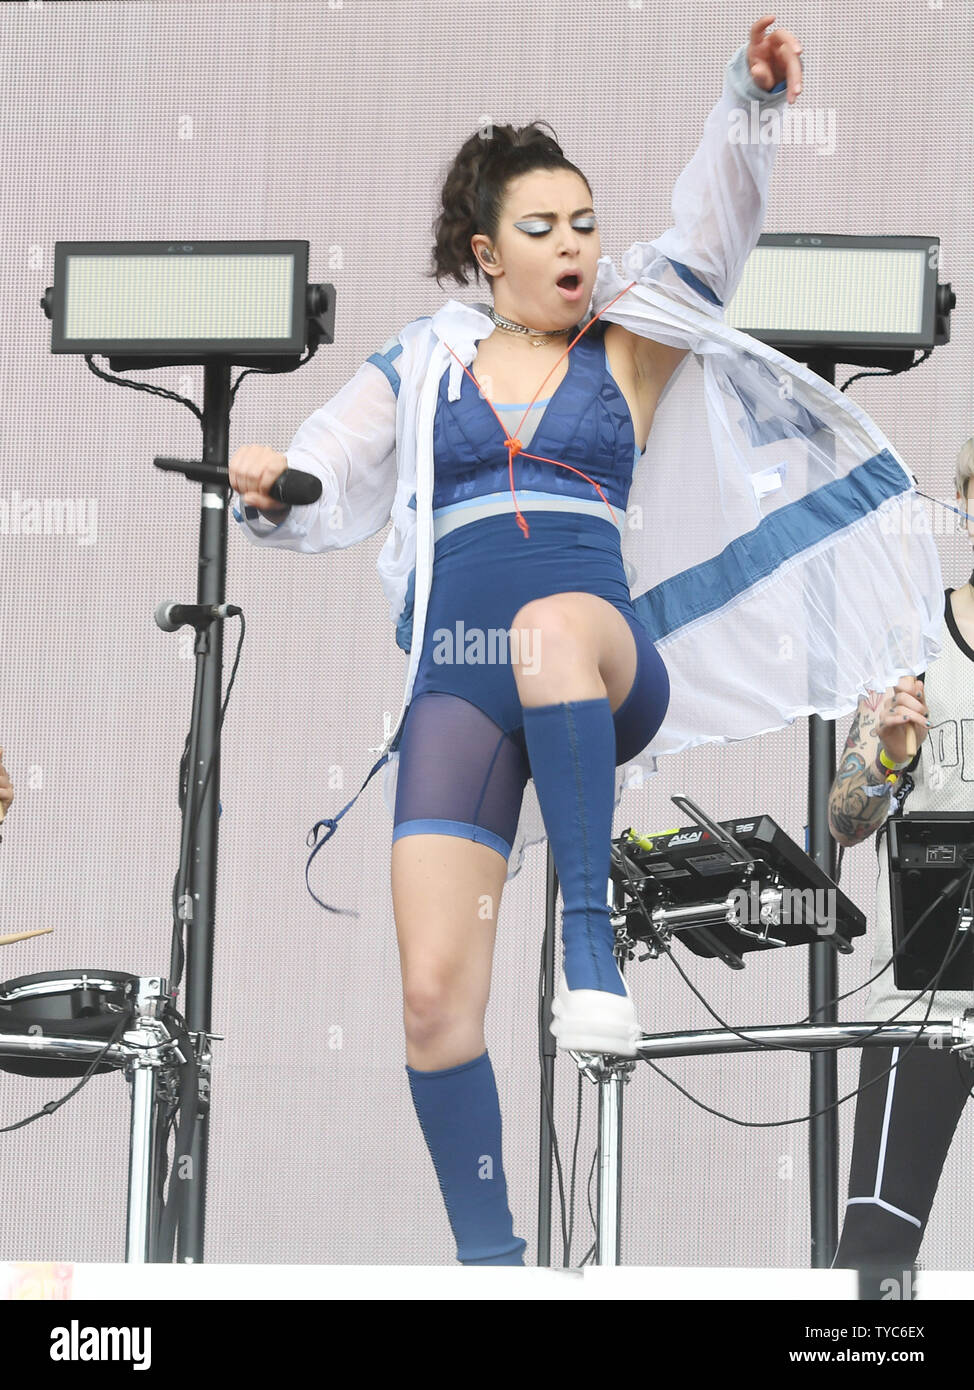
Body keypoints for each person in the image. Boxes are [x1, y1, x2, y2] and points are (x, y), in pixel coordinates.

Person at [230, 17, 940, 1268]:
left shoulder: (628, 338)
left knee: (553, 629)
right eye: (542, 228)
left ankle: (587, 937)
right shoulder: (427, 359)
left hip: (600, 655)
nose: (573, 247)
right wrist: (276, 483)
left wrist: (747, 105)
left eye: (584, 223)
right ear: (479, 251)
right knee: (433, 1001)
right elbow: (328, 461)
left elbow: (713, 236)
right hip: (457, 676)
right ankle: (492, 1267)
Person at [828, 438, 974, 1275]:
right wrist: (886, 759)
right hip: (921, 1003)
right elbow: (845, 821)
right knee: (876, 1259)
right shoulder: (914, 644)